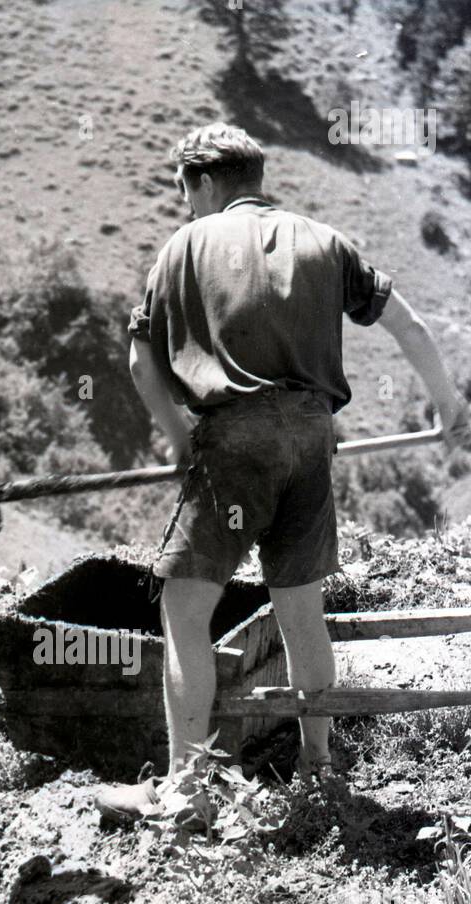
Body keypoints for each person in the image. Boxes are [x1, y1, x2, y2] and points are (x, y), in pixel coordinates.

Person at [96, 122, 471, 826]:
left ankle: (186, 793)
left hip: (233, 441)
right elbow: (410, 329)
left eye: (186, 190)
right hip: (311, 437)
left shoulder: (182, 248)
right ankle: (318, 766)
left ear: (204, 182)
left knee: (183, 612)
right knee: (300, 611)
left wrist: (180, 438)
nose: (186, 205)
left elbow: (139, 363)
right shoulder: (324, 240)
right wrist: (449, 406)